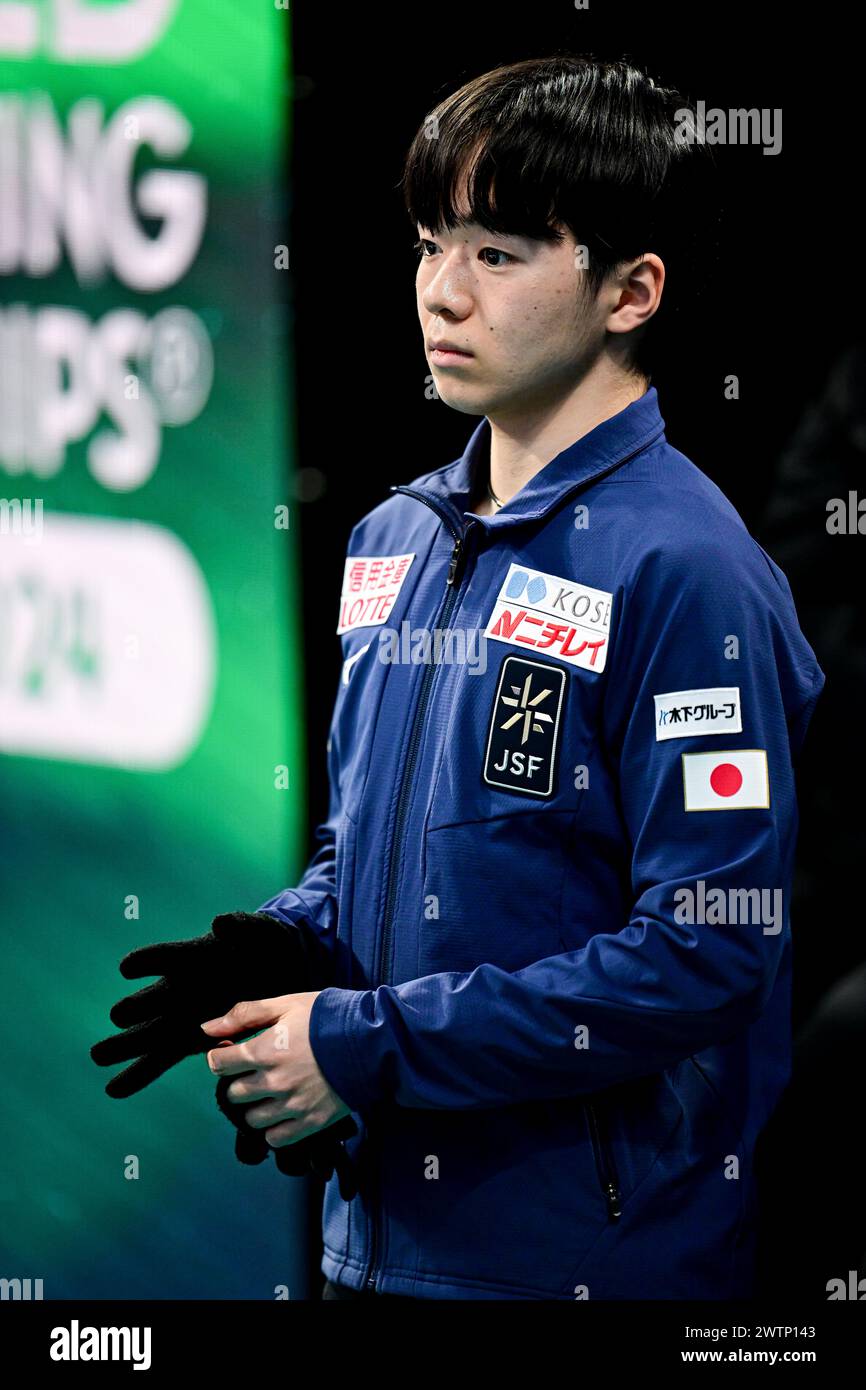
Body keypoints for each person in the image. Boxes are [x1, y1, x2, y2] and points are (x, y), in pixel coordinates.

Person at [202, 54, 825, 1300]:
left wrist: (363, 1046)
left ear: (630, 290)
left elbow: (703, 953)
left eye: (496, 254)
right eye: (431, 243)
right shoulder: (393, 536)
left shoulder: (689, 569)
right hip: (371, 1244)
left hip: (592, 1268)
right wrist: (286, 951)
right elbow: (374, 847)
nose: (440, 292)